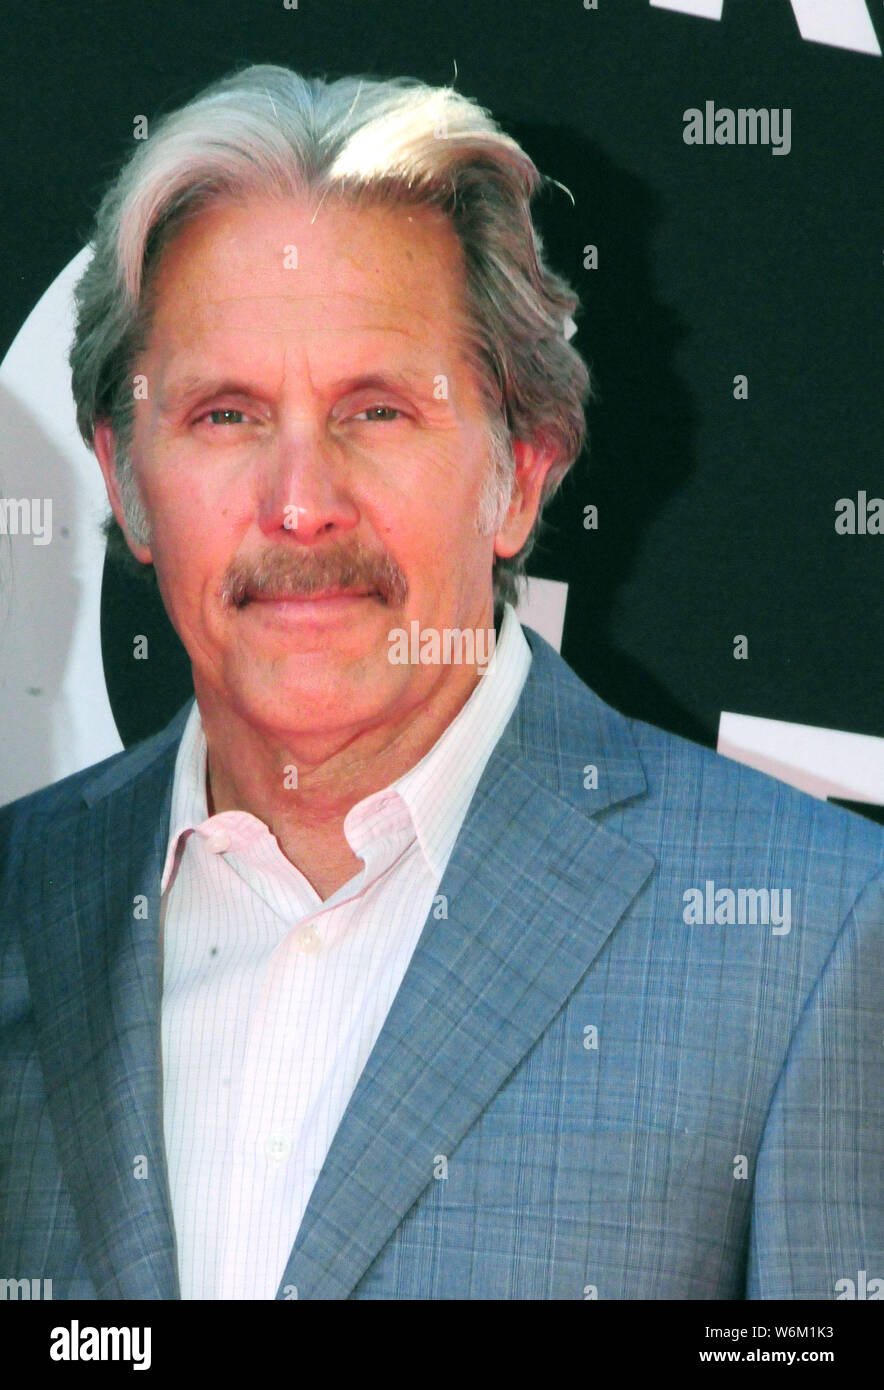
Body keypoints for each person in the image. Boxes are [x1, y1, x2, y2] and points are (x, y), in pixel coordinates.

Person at [1, 64, 881, 1302]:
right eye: (225, 415)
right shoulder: (18, 900)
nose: (300, 505)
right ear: (127, 479)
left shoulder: (812, 938)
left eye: (374, 410)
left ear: (520, 470)